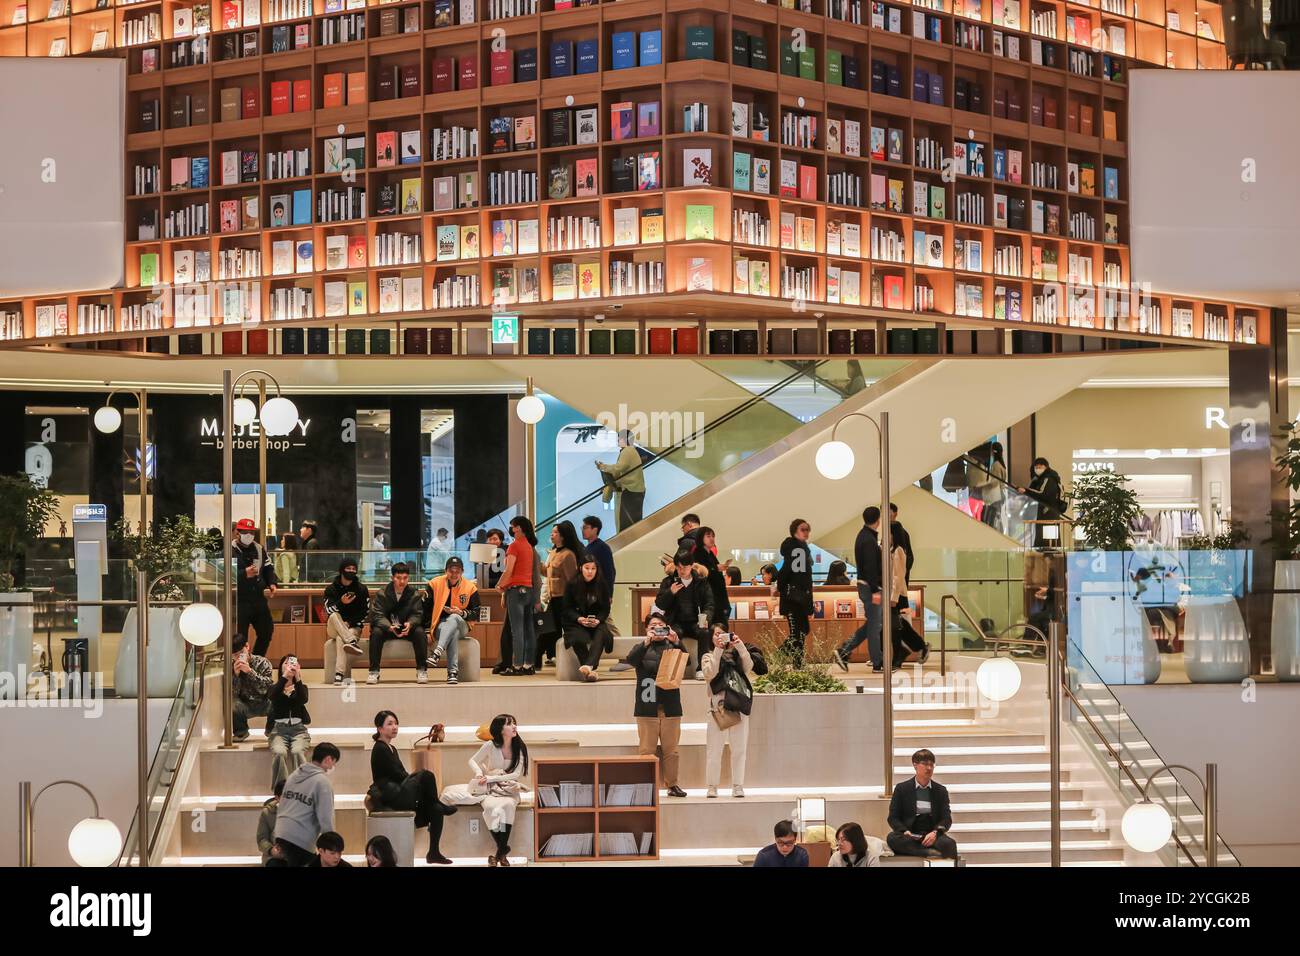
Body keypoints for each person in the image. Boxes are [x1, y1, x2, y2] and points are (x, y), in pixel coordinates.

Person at [439, 714, 530, 866]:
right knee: (490, 809)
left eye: (514, 723)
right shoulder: (490, 745)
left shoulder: (519, 747)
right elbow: (472, 760)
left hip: (509, 789)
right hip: (490, 790)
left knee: (507, 806)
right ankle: (503, 850)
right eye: (509, 724)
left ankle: (499, 853)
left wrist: (491, 778)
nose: (514, 726)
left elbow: (516, 774)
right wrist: (479, 773)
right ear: (500, 730)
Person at [370, 710, 457, 864]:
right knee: (426, 775)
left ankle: (433, 852)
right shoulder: (380, 748)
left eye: (396, 723)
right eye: (390, 724)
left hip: (399, 791)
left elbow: (402, 773)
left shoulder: (391, 748)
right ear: (379, 728)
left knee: (435, 810)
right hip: (391, 796)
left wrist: (414, 780)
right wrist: (416, 779)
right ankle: (438, 802)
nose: (394, 727)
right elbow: (398, 775)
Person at [628, 612, 687, 798]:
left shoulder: (674, 646)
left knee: (672, 750)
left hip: (670, 705)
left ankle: (673, 785)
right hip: (647, 705)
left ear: (668, 628)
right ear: (647, 629)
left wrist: (677, 641)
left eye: (661, 625)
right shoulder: (641, 647)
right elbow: (630, 660)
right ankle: (648, 787)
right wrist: (646, 641)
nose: (657, 629)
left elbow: (688, 662)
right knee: (647, 750)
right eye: (653, 626)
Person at [702, 624, 755, 798]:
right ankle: (712, 786)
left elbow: (749, 667)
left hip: (739, 706)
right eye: (717, 634)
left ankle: (738, 785)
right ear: (712, 638)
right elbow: (711, 673)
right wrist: (717, 650)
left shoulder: (737, 656)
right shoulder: (708, 656)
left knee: (739, 749)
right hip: (718, 707)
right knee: (714, 750)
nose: (720, 637)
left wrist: (739, 646)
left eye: (723, 634)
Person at [267, 742, 340, 867]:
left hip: (281, 832)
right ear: (328, 759)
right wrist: (332, 845)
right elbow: (325, 817)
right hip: (301, 837)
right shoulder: (322, 782)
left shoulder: (294, 775)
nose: (333, 766)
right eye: (334, 762)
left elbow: (283, 805)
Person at [887, 749, 958, 860]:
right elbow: (893, 817)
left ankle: (922, 850)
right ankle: (927, 852)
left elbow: (946, 819)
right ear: (915, 765)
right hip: (910, 833)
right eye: (925, 764)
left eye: (931, 765)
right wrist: (904, 831)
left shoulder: (940, 790)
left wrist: (935, 833)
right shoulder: (902, 789)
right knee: (892, 838)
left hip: (932, 832)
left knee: (950, 844)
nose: (929, 768)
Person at [653, 549, 714, 677]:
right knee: (671, 633)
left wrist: (706, 617)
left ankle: (701, 668)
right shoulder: (669, 582)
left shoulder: (701, 581)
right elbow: (659, 604)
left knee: (704, 631)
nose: (681, 570)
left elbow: (709, 604)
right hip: (676, 622)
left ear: (691, 566)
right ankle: (676, 668)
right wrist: (670, 592)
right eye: (678, 567)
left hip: (695, 622)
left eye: (685, 567)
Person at [836, 507, 883, 671]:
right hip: (870, 587)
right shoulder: (868, 540)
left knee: (872, 624)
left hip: (866, 586)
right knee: (875, 626)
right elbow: (870, 568)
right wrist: (876, 590)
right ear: (878, 520)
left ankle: (844, 650)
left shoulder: (864, 536)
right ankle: (877, 663)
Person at [367, 562, 428, 685]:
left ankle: (422, 670)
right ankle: (374, 672)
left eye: (405, 578)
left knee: (420, 632)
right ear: (392, 578)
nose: (402, 581)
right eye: (398, 578)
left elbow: (418, 614)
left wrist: (410, 624)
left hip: (406, 628)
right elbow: (377, 615)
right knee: (376, 632)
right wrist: (388, 626)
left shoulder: (414, 593)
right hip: (388, 628)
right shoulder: (382, 593)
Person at [423, 556, 480, 685]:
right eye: (451, 571)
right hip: (439, 626)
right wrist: (427, 630)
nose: (454, 574)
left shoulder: (470, 587)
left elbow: (476, 613)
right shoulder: (434, 584)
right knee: (452, 633)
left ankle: (437, 651)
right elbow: (425, 610)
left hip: (463, 625)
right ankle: (452, 673)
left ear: (462, 572)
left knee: (454, 618)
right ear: (445, 571)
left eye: (457, 571)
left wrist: (461, 612)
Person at [540, 520, 584, 668]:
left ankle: (573, 658)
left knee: (564, 628)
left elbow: (572, 579)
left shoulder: (568, 554)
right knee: (551, 628)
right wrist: (538, 565)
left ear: (563, 536)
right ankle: (553, 655)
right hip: (553, 597)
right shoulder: (553, 552)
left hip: (565, 598)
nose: (551, 535)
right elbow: (547, 572)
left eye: (555, 533)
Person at [232, 517, 278, 656]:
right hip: (240, 601)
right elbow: (225, 574)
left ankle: (256, 660)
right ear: (237, 533)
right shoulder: (229, 550)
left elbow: (268, 567)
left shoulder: (259, 548)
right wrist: (243, 573)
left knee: (267, 631)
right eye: (245, 532)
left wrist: (272, 583)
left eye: (251, 532)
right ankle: (240, 666)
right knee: (240, 639)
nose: (249, 535)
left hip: (258, 599)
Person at [501, 517, 540, 676]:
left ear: (519, 528)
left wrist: (500, 586)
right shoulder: (529, 547)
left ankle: (516, 666)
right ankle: (528, 664)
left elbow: (509, 570)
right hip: (529, 591)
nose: (511, 529)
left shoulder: (514, 546)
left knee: (517, 631)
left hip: (515, 591)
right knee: (529, 629)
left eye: (513, 526)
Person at [562, 555, 612, 681]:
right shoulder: (572, 585)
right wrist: (579, 619)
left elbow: (605, 609)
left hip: (595, 621)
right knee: (578, 638)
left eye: (593, 569)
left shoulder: (602, 584)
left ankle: (588, 666)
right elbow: (567, 608)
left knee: (601, 633)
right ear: (580, 568)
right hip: (576, 622)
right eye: (587, 568)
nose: (590, 572)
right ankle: (591, 669)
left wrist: (598, 620)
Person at [266, 654, 311, 789]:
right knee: (279, 753)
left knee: (298, 752)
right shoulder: (275, 688)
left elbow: (303, 699)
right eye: (286, 663)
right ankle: (281, 791)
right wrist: (284, 677)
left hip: (299, 731)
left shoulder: (301, 688)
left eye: (293, 663)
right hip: (279, 731)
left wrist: (297, 678)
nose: (290, 666)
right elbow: (272, 696)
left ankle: (302, 789)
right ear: (280, 668)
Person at [774, 518, 814, 668]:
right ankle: (789, 661)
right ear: (795, 531)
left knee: (801, 631)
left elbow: (802, 577)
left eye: (808, 529)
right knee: (798, 632)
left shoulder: (801, 548)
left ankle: (793, 661)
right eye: (803, 529)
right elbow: (788, 571)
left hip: (799, 597)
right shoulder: (797, 549)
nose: (807, 532)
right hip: (794, 598)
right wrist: (780, 586)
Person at [324, 557, 369, 683]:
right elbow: (328, 610)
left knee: (340, 638)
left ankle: (339, 674)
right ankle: (351, 641)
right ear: (341, 570)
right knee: (333, 616)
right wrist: (341, 603)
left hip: (354, 627)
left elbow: (365, 612)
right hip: (334, 626)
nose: (351, 571)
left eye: (354, 569)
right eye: (348, 568)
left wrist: (349, 623)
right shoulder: (331, 589)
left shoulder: (361, 589)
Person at [597, 429, 645, 532]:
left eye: (619, 438)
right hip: (633, 492)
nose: (617, 440)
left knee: (625, 525)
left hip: (630, 492)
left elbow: (618, 468)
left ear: (624, 439)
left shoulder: (628, 450)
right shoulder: (630, 450)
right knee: (629, 523)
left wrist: (603, 466)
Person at [231, 632, 273, 742]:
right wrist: (236, 676)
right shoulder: (230, 667)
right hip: (244, 704)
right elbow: (232, 694)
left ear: (247, 647)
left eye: (241, 653)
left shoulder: (262, 662)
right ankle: (241, 732)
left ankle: (272, 731)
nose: (239, 657)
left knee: (277, 700)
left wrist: (250, 672)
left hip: (264, 702)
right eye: (235, 655)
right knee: (231, 704)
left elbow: (266, 688)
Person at [1018, 456, 1066, 548]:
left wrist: (1026, 491)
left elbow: (1042, 493)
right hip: (1048, 511)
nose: (1038, 469)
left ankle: (1049, 557)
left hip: (1048, 512)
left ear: (1046, 467)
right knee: (1046, 538)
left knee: (1047, 540)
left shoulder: (1048, 478)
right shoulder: (1043, 478)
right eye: (1036, 467)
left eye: (1040, 467)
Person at [698, 527, 732, 627]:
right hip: (711, 596)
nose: (712, 539)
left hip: (718, 595)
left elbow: (713, 569)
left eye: (713, 536)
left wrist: (719, 567)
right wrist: (716, 568)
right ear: (701, 538)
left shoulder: (710, 553)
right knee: (716, 626)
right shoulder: (699, 553)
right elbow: (704, 572)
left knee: (721, 624)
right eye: (708, 536)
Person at [969, 443, 1008, 531]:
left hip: (996, 494)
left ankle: (996, 533)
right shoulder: (1002, 465)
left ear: (992, 452)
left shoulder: (996, 465)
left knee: (993, 516)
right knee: (996, 515)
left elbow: (994, 482)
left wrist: (981, 484)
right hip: (1000, 494)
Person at [581, 515, 616, 587]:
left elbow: (609, 572)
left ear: (595, 530)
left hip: (599, 591)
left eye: (585, 528)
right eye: (582, 528)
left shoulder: (603, 547)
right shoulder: (586, 548)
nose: (582, 530)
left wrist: (609, 594)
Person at [256, 780, 284, 865]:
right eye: (286, 797)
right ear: (277, 797)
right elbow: (261, 839)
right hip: (274, 856)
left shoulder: (302, 811)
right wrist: (271, 850)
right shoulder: (267, 813)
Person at [888, 503, 913, 583]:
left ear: (895, 514)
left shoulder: (900, 531)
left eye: (889, 512)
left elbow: (907, 557)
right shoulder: (886, 532)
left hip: (899, 578)